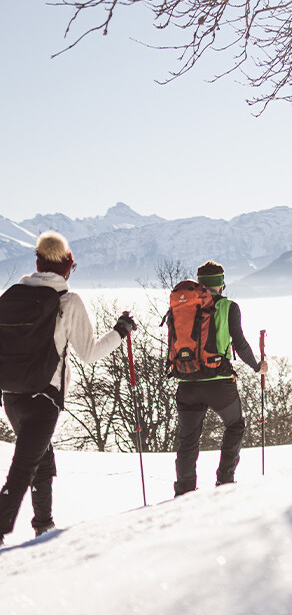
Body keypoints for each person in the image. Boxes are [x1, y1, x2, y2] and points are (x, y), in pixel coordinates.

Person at [0, 231, 136, 545]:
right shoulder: (68, 301)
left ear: (38, 262)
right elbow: (89, 354)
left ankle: (43, 526)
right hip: (44, 399)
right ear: (66, 267)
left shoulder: (11, 295)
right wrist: (120, 330)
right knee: (22, 471)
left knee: (41, 459)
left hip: (12, 398)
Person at [173, 260, 267, 496]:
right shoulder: (229, 307)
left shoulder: (183, 306)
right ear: (222, 284)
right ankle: (225, 480)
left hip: (187, 382)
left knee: (188, 439)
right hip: (219, 383)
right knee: (235, 426)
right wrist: (257, 366)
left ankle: (184, 489)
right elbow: (240, 344)